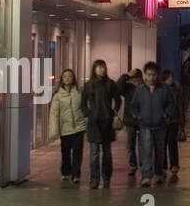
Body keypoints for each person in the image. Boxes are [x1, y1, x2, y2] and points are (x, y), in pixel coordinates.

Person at [131, 62, 175, 188]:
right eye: (149, 75)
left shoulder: (164, 89)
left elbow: (171, 103)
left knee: (159, 151)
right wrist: (138, 116)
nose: (151, 78)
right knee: (146, 151)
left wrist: (165, 114)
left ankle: (159, 173)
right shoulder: (140, 90)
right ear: (145, 75)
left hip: (160, 125)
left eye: (154, 75)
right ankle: (146, 176)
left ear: (158, 75)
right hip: (144, 126)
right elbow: (134, 106)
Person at [81, 59, 118, 188]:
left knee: (107, 153)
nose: (102, 69)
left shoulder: (110, 84)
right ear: (94, 69)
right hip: (93, 123)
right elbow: (83, 105)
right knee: (94, 154)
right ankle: (94, 179)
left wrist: (113, 112)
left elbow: (118, 100)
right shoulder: (88, 85)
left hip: (107, 122)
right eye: (99, 67)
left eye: (103, 67)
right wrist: (89, 115)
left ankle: (106, 178)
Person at [49, 68, 87, 185]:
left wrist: (86, 122)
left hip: (79, 127)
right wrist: (54, 130)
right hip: (65, 128)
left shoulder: (79, 92)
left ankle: (76, 175)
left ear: (73, 78)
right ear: (62, 79)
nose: (67, 78)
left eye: (70, 76)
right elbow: (54, 114)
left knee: (77, 152)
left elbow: (84, 108)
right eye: (65, 76)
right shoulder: (58, 95)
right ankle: (65, 172)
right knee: (65, 152)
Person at [119, 68, 143, 180]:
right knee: (130, 146)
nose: (135, 81)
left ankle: (143, 167)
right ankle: (133, 166)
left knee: (143, 146)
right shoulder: (128, 88)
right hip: (130, 121)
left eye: (136, 79)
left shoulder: (145, 88)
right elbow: (118, 88)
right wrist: (126, 76)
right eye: (133, 79)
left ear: (141, 78)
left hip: (142, 121)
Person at [162, 69, 183, 174]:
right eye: (169, 77)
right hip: (162, 121)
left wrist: (182, 123)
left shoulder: (176, 89)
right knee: (162, 144)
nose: (171, 79)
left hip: (174, 120)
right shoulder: (160, 90)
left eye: (171, 77)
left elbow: (180, 105)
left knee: (172, 143)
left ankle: (174, 164)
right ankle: (163, 165)